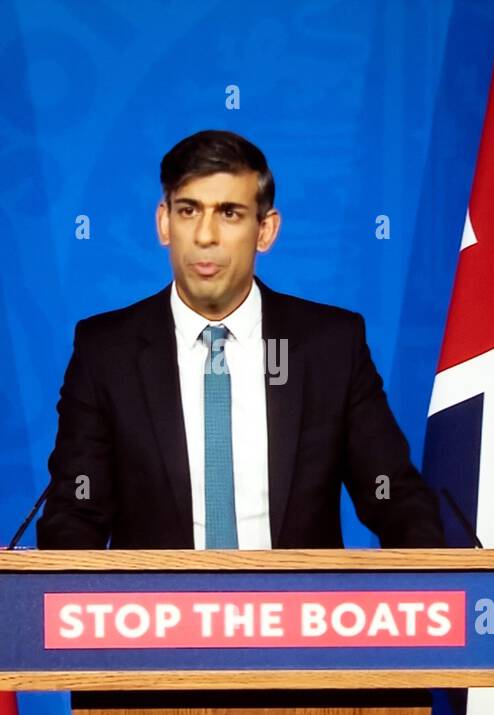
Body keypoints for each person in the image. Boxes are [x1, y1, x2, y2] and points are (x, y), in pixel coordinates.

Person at [35, 130, 444, 550]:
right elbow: (76, 511)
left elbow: (392, 496)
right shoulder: (107, 351)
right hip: (157, 613)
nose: (205, 236)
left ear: (265, 231)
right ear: (163, 223)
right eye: (189, 211)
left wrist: (438, 589)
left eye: (229, 213)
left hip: (297, 611)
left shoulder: (329, 347)